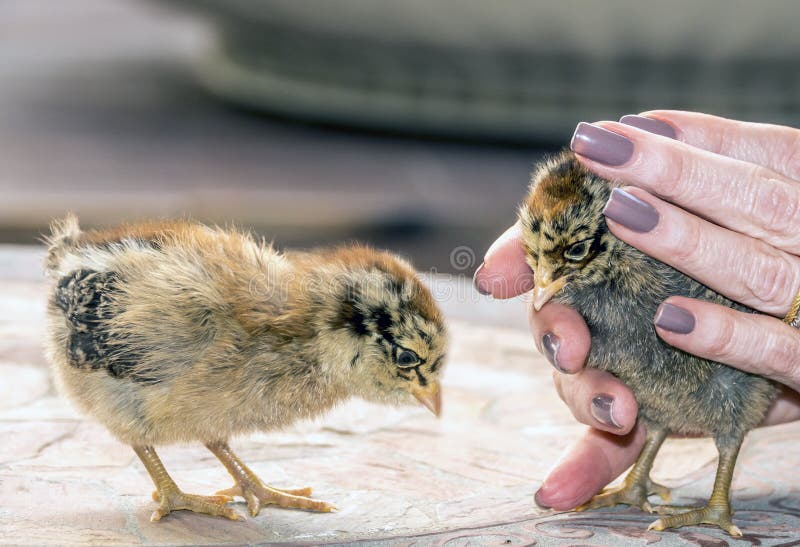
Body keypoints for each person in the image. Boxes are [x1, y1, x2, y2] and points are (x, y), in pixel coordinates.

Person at [473, 110, 800, 510]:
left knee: (725, 401)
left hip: (725, 389)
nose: (542, 282)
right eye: (536, 259)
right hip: (664, 394)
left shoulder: (660, 265)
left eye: (575, 252)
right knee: (641, 401)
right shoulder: (580, 287)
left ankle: (718, 502)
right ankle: (639, 478)